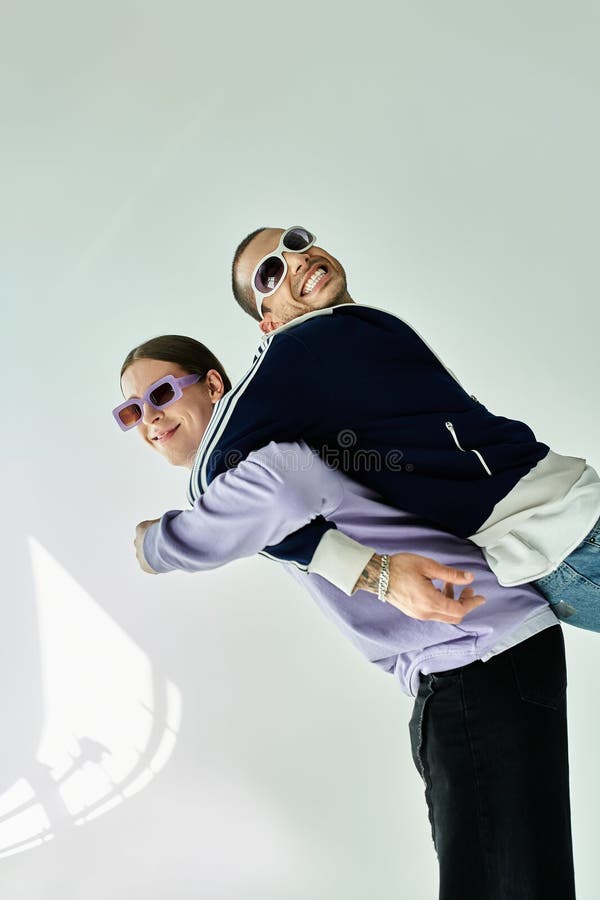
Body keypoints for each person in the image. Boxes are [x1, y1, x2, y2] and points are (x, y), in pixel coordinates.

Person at [115, 334, 575, 899]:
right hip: (477, 653)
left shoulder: (237, 452)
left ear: (214, 384)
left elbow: (282, 482)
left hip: (476, 651)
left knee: (501, 880)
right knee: (513, 874)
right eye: (132, 411)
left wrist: (154, 545)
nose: (150, 418)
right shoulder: (234, 468)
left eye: (161, 393)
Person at [181, 223, 600, 629]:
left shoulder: (351, 331)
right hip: (563, 537)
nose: (297, 260)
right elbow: (207, 484)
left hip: (573, 514)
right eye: (270, 272)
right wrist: (355, 567)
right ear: (268, 322)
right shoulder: (296, 347)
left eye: (295, 242)